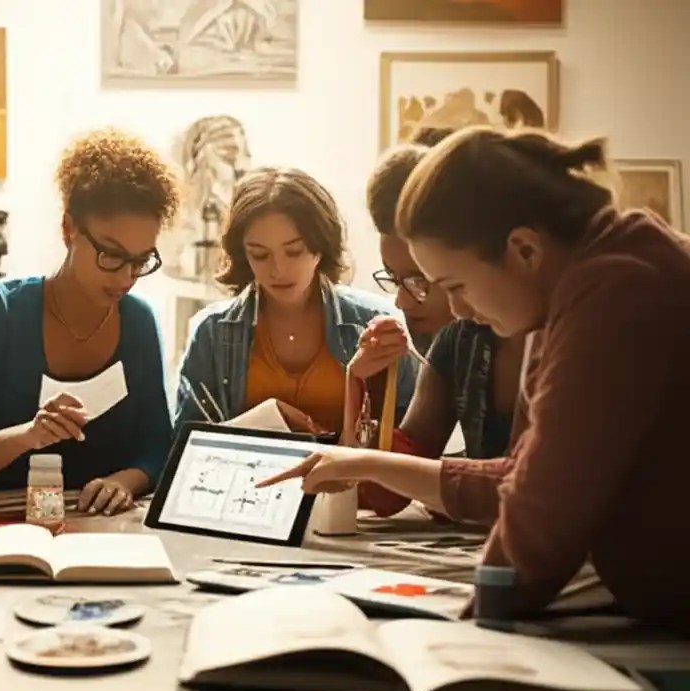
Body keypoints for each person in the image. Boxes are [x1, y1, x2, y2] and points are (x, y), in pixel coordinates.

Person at [260, 127, 690, 632]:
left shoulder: (617, 290)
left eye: (455, 286)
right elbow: (523, 477)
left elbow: (540, 515)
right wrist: (369, 461)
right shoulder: (576, 285)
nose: (459, 310)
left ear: (524, 250)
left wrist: (469, 632)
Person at [0, 128, 177, 516]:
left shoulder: (137, 322)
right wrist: (27, 436)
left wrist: (123, 482)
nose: (126, 278)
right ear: (69, 229)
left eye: (141, 260)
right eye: (111, 255)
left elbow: (156, 447)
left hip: (102, 529)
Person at [356, 131, 526, 517]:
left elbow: (536, 490)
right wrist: (366, 386)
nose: (400, 300)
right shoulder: (457, 342)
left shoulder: (563, 332)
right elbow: (385, 494)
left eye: (419, 280)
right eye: (393, 279)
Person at [175, 167, 417, 436]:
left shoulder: (374, 322)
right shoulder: (213, 331)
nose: (277, 270)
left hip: (350, 478)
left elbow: (407, 442)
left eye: (293, 251)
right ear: (243, 255)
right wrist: (267, 417)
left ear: (320, 244)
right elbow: (187, 444)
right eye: (260, 255)